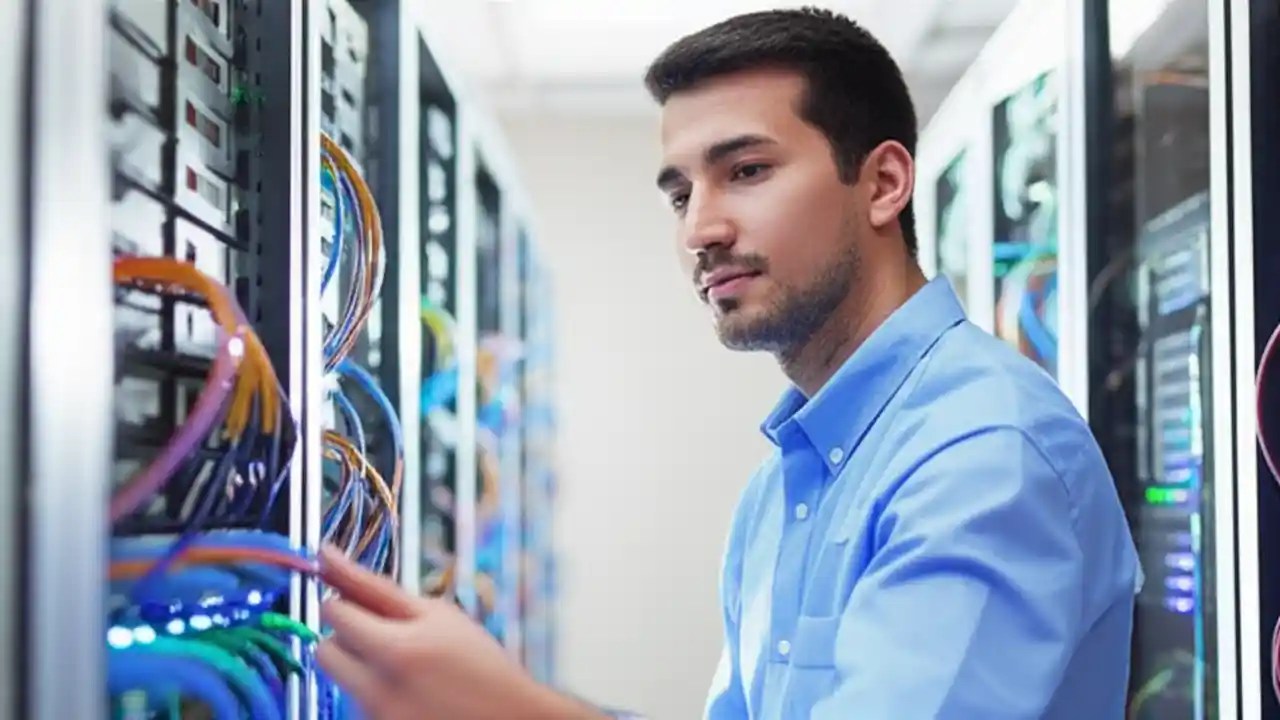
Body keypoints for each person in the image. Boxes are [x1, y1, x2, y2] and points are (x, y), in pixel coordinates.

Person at [316, 7, 1140, 719]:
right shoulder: (783, 489)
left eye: (746, 171)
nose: (698, 230)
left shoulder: (984, 454)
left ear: (884, 183)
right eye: (681, 193)